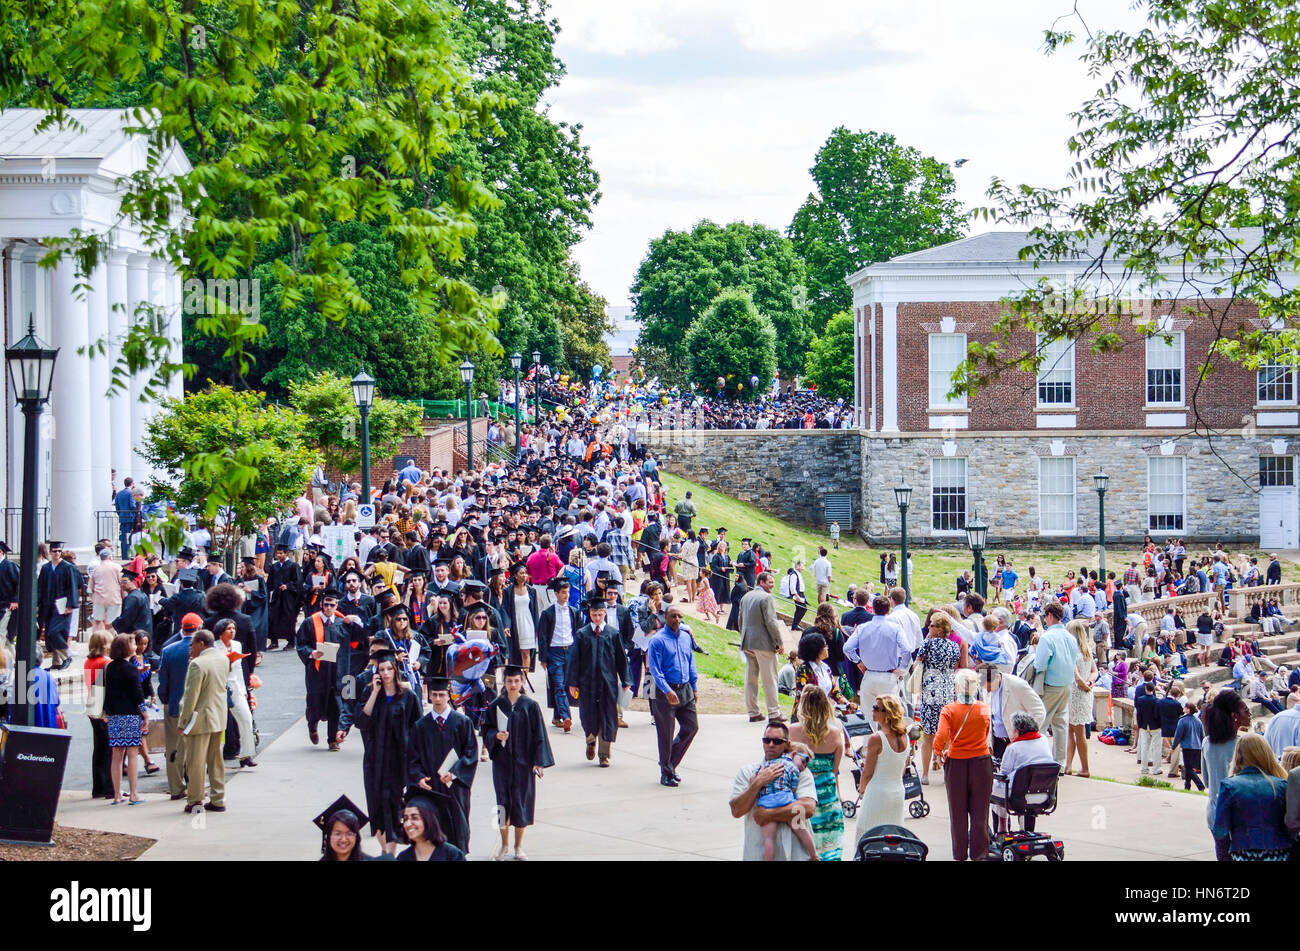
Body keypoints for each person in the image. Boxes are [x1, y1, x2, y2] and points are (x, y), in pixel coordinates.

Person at [353, 651, 423, 855]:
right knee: (375, 806)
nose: (385, 673)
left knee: (394, 807)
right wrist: (375, 692)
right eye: (381, 669)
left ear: (395, 670)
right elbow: (361, 722)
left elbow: (416, 728)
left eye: (389, 669)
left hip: (399, 760)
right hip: (375, 760)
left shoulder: (408, 695)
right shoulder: (370, 693)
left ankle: (389, 854)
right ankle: (384, 851)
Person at [482, 665, 554, 861]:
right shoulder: (495, 705)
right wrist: (495, 735)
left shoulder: (530, 706)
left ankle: (518, 846)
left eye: (516, 681)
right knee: (501, 804)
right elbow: (485, 730)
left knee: (521, 803)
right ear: (503, 683)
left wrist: (539, 762)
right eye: (509, 681)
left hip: (524, 763)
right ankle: (504, 844)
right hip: (502, 763)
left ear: (522, 682)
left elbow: (539, 735)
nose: (513, 685)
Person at [406, 677, 478, 854]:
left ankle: (458, 856)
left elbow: (470, 753)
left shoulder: (462, 722)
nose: (437, 699)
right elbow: (412, 758)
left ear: (448, 696)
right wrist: (419, 778)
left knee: (458, 826)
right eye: (434, 695)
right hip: (431, 787)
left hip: (454, 786)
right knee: (432, 827)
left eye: (442, 695)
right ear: (429, 696)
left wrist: (454, 773)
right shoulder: (420, 726)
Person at [933, 668, 993, 861]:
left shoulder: (949, 710)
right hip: (981, 762)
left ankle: (960, 854)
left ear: (957, 686)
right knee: (980, 812)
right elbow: (985, 735)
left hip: (957, 762)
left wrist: (937, 751)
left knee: (957, 812)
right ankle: (979, 854)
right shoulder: (984, 708)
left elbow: (941, 736)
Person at [296, 588, 366, 750]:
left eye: (332, 605)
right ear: (321, 604)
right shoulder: (310, 622)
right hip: (318, 671)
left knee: (336, 704)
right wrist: (311, 653)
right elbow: (301, 643)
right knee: (315, 703)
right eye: (326, 604)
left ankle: (332, 740)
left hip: (338, 671)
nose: (328, 607)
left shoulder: (344, 623)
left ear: (336, 606)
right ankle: (312, 725)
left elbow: (360, 639)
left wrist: (357, 620)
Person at [568, 594, 629, 767]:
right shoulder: (582, 634)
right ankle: (590, 740)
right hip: (587, 683)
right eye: (594, 614)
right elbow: (574, 659)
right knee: (588, 715)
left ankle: (604, 754)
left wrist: (625, 680)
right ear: (590, 614)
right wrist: (572, 682)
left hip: (607, 683)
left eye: (600, 614)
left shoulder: (613, 633)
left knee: (607, 716)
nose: (596, 618)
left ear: (604, 613)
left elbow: (621, 659)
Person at [786, 686, 845, 861]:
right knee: (830, 847)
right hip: (827, 797)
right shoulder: (835, 734)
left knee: (800, 846)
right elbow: (835, 770)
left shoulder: (791, 731)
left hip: (800, 796)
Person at [1212, 733, 1292, 861]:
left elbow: (1220, 830)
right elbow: (1292, 824)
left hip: (1243, 852)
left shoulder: (1229, 786)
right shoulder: (1282, 785)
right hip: (1279, 852)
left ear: (1238, 756)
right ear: (1266, 754)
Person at [647, 604, 700, 787]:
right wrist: (667, 690)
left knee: (691, 727)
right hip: (665, 692)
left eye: (679, 616)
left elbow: (690, 662)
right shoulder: (657, 640)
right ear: (665, 618)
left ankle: (669, 764)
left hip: (685, 689)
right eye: (673, 616)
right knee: (665, 734)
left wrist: (694, 686)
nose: (677, 620)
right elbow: (655, 669)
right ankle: (666, 774)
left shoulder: (686, 637)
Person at [178, 629, 230, 813]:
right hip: (219, 716)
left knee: (196, 762)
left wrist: (183, 721)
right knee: (216, 760)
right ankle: (218, 798)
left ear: (201, 643)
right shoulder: (224, 659)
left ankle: (195, 799)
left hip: (200, 719)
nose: (190, 648)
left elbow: (191, 696)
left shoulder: (197, 664)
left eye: (192, 645)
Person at [1203, 689, 1252, 861]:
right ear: (1234, 716)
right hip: (1238, 817)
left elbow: (1207, 779)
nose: (1250, 713)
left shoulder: (1207, 742)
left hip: (1215, 814)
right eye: (1246, 710)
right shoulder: (1243, 745)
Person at [843, 595, 911, 717]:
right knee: (889, 717)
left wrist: (858, 661)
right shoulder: (895, 628)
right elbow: (906, 650)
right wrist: (902, 669)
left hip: (869, 675)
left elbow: (847, 648)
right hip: (888, 677)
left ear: (873, 609)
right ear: (888, 610)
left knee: (869, 717)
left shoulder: (862, 628)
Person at [991, 713, 1058, 835]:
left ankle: (1002, 827)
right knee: (1015, 785)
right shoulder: (1044, 740)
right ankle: (1025, 828)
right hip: (1045, 795)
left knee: (996, 786)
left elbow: (1003, 774)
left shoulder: (1013, 748)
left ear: (1017, 730)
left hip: (1018, 797)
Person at [917, 612, 963, 784]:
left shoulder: (927, 643)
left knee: (928, 735)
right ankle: (947, 772)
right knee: (947, 733)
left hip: (930, 690)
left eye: (932, 625)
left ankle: (925, 774)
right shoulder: (953, 646)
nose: (929, 627)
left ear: (939, 629)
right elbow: (955, 665)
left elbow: (917, 663)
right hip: (948, 689)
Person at [1032, 601, 1078, 768]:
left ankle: (1037, 759)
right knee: (1060, 725)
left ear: (1050, 615)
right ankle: (1059, 763)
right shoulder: (1070, 637)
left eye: (1045, 616)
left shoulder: (1047, 638)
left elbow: (1040, 665)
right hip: (1067, 684)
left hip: (1050, 685)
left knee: (1040, 723)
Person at [856, 693, 909, 832]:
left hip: (877, 792)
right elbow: (903, 768)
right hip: (897, 792)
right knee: (892, 835)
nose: (872, 710)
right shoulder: (905, 736)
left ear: (888, 713)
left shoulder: (876, 738)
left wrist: (861, 790)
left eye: (876, 708)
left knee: (866, 833)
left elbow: (867, 772)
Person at [739, 571, 786, 723]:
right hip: (763, 643)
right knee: (770, 678)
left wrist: (743, 637)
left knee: (750, 677)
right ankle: (774, 713)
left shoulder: (746, 596)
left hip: (747, 642)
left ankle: (753, 711)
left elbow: (740, 620)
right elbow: (771, 622)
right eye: (770, 582)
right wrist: (779, 642)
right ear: (761, 582)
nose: (772, 585)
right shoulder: (766, 598)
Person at [1064, 618, 1097, 777]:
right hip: (1084, 692)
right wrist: (1090, 682)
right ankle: (1068, 765)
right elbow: (1095, 671)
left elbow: (1076, 677)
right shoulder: (1086, 650)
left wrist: (1085, 684)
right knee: (1072, 730)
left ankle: (1085, 768)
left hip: (1076, 692)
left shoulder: (1071, 652)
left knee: (1078, 731)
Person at [395, 794, 466, 861]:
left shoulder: (452, 855)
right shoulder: (403, 857)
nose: (408, 824)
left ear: (429, 820)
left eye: (415, 818)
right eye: (405, 819)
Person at [1172, 699, 1206, 791]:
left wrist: (1173, 747)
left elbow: (1178, 735)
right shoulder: (1198, 721)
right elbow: (1202, 735)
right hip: (1197, 747)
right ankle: (1187, 786)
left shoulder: (1182, 721)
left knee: (1188, 768)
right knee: (1189, 767)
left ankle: (1200, 786)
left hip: (1187, 747)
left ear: (1188, 709)